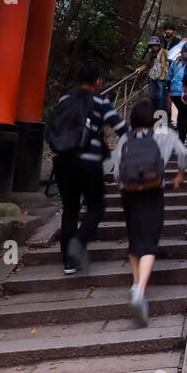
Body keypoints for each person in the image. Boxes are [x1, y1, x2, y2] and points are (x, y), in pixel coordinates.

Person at [44, 62, 129, 275]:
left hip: (62, 160)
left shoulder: (65, 98)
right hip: (89, 162)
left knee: (70, 210)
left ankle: (68, 262)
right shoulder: (100, 101)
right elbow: (121, 128)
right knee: (96, 207)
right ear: (98, 81)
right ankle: (78, 245)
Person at [112, 99, 187, 327]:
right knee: (149, 242)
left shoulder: (126, 138)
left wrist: (125, 186)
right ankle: (140, 290)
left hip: (130, 194)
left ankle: (136, 286)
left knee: (135, 240)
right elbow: (183, 153)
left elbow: (116, 171)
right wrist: (179, 176)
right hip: (153, 192)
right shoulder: (165, 134)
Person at [137, 35, 169, 115]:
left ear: (158, 44)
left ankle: (161, 114)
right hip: (152, 76)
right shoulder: (151, 54)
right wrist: (140, 69)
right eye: (152, 45)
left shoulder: (164, 52)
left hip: (162, 76)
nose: (153, 46)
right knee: (152, 96)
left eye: (155, 44)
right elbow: (147, 64)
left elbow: (169, 62)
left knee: (161, 96)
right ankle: (155, 111)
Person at [168, 39, 187, 139]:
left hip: (174, 92)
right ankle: (181, 141)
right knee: (184, 116)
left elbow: (169, 76)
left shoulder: (176, 61)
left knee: (181, 115)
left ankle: (180, 140)